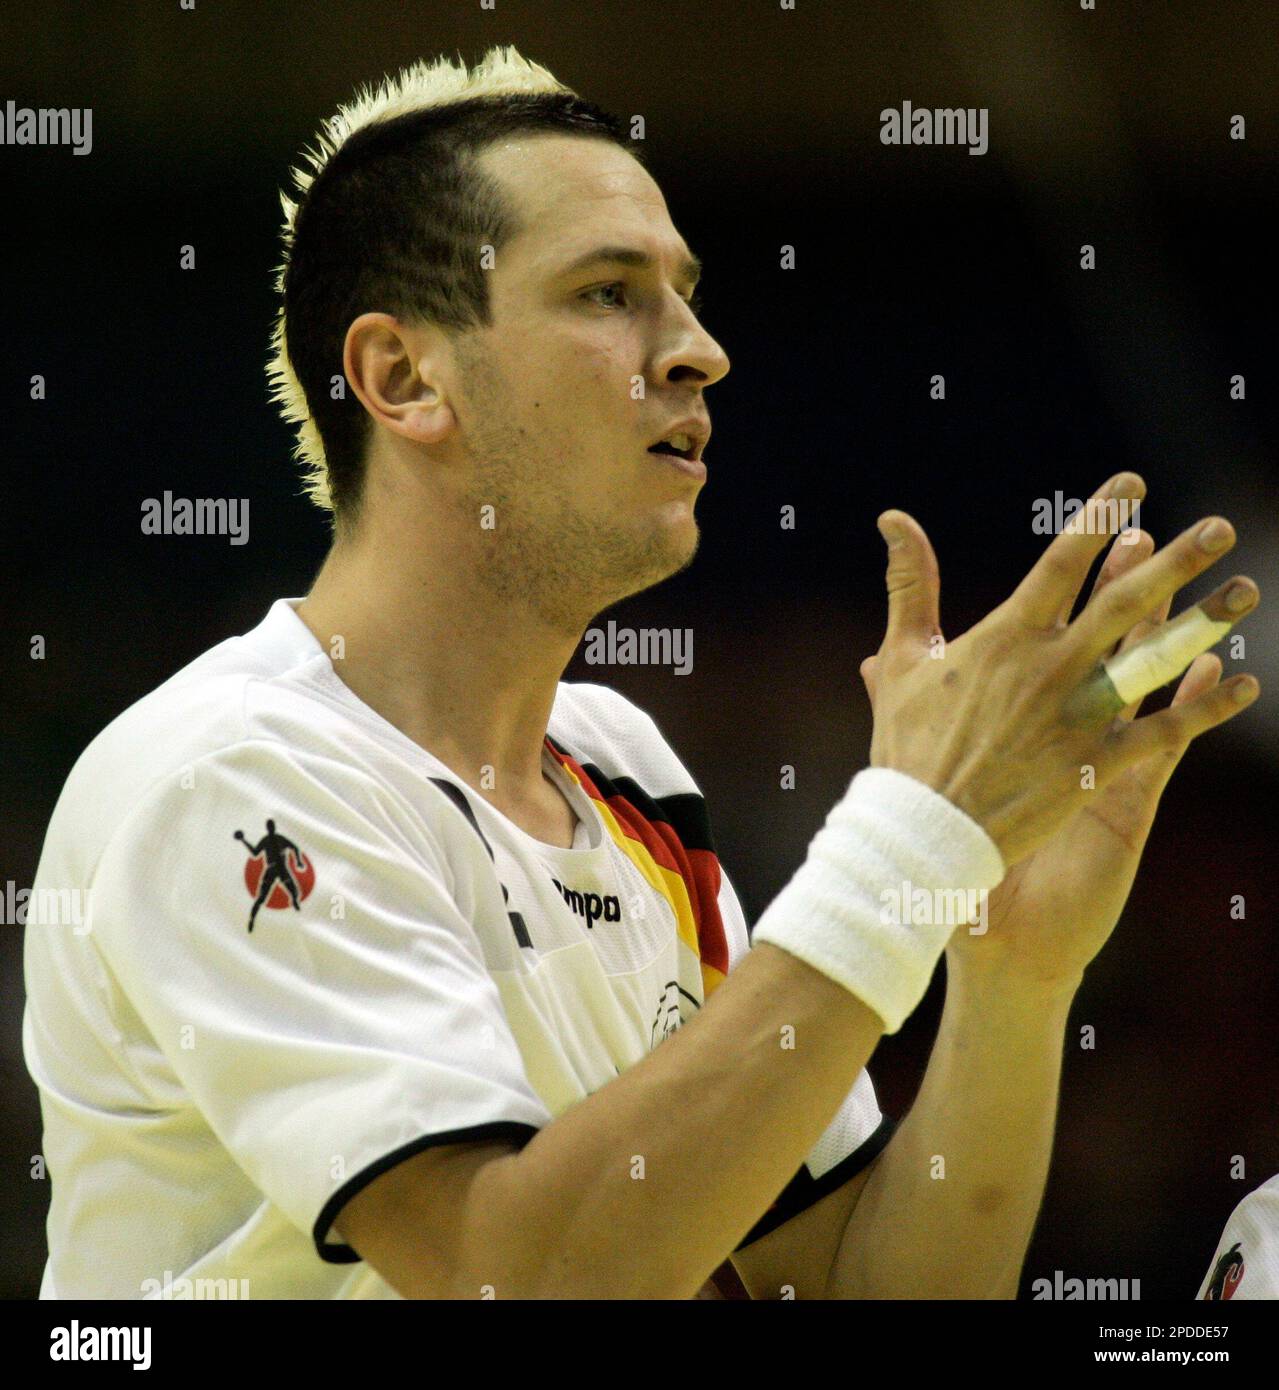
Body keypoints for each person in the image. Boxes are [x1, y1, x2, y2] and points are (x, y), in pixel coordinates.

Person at [22, 45, 1260, 1300]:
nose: (700, 351)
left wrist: (1012, 972)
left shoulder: (623, 770)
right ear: (403, 379)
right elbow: (517, 1279)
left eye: (686, 292)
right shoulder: (231, 772)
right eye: (608, 294)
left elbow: (860, 1292)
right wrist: (907, 845)